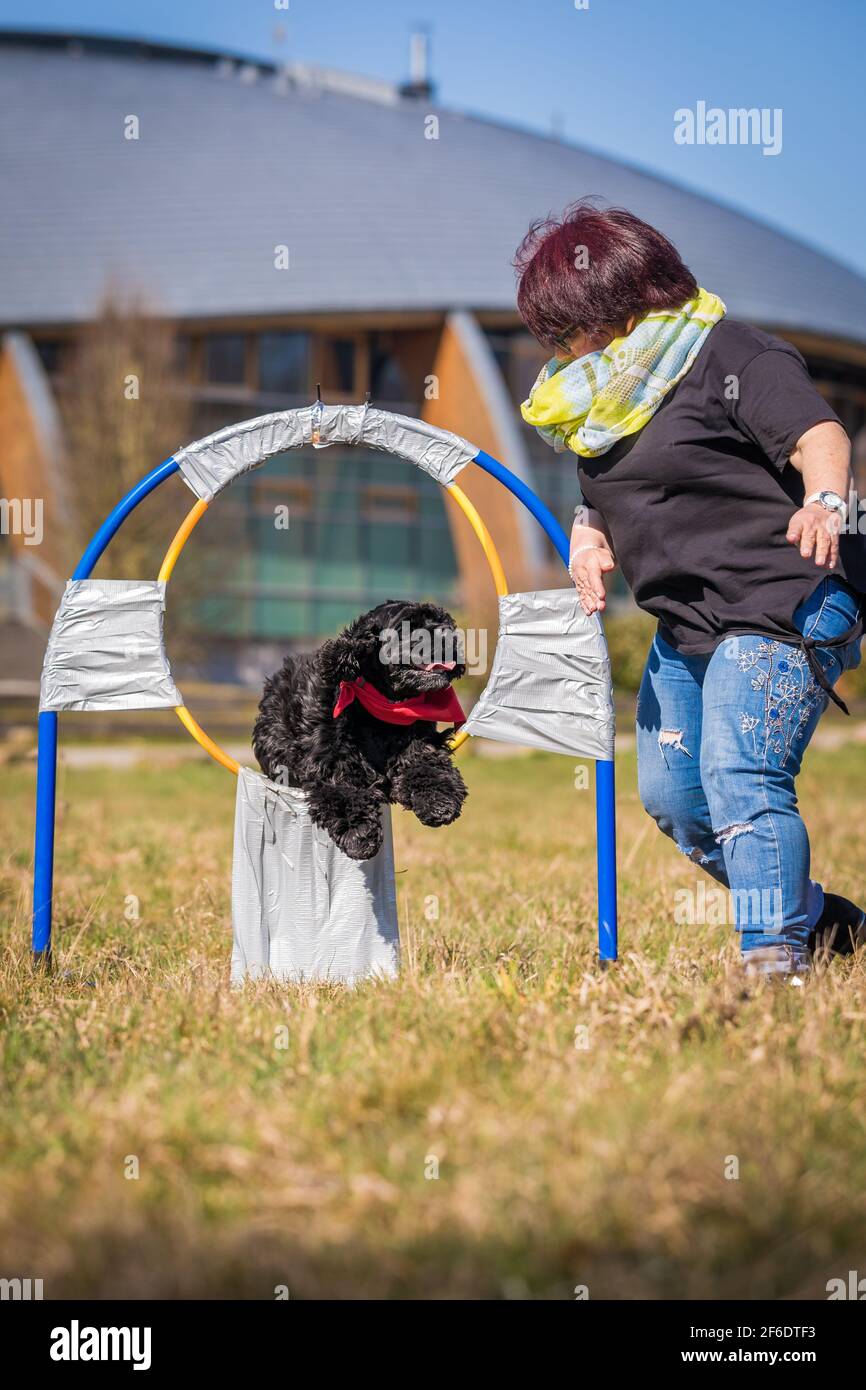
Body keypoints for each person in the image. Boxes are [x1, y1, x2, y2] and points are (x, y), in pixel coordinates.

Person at [516, 200, 865, 977]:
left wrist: (825, 501)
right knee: (678, 801)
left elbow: (822, 437)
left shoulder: (731, 353)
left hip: (783, 603)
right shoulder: (602, 404)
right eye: (557, 336)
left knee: (741, 773)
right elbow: (608, 491)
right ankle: (822, 923)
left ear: (618, 300)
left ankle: (771, 963)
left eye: (571, 327)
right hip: (689, 626)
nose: (568, 349)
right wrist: (588, 535)